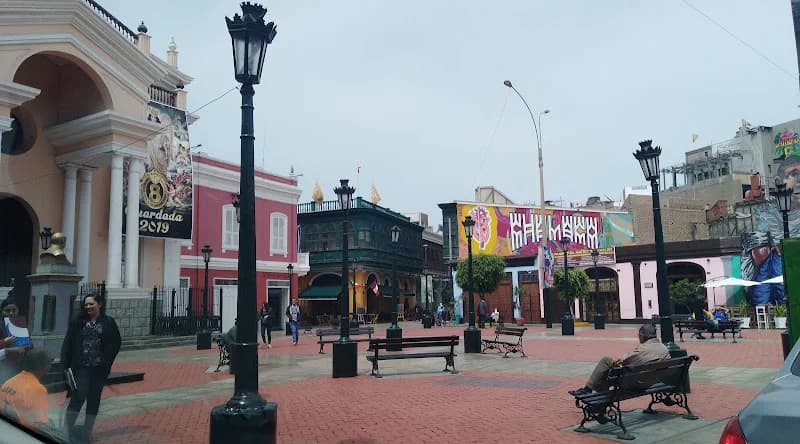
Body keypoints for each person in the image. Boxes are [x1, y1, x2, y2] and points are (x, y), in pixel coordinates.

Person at [61, 293, 121, 442]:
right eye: (86, 304)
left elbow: (116, 342)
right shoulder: (78, 322)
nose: (87, 307)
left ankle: (87, 431)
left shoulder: (108, 322)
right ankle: (67, 430)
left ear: (99, 304)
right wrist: (65, 364)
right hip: (81, 368)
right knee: (77, 398)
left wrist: (108, 361)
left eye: (91, 304)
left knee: (94, 401)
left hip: (99, 369)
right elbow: (68, 344)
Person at [569, 324, 669, 396]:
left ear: (642, 336)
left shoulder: (642, 350)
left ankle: (588, 390)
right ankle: (595, 400)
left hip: (637, 383)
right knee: (604, 377)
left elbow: (623, 362)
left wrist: (618, 361)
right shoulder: (664, 348)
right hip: (653, 381)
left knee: (606, 361)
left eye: (639, 336)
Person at [0, 350, 51, 429]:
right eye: (49, 362)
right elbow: (40, 423)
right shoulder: (38, 389)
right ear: (44, 366)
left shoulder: (8, 382)